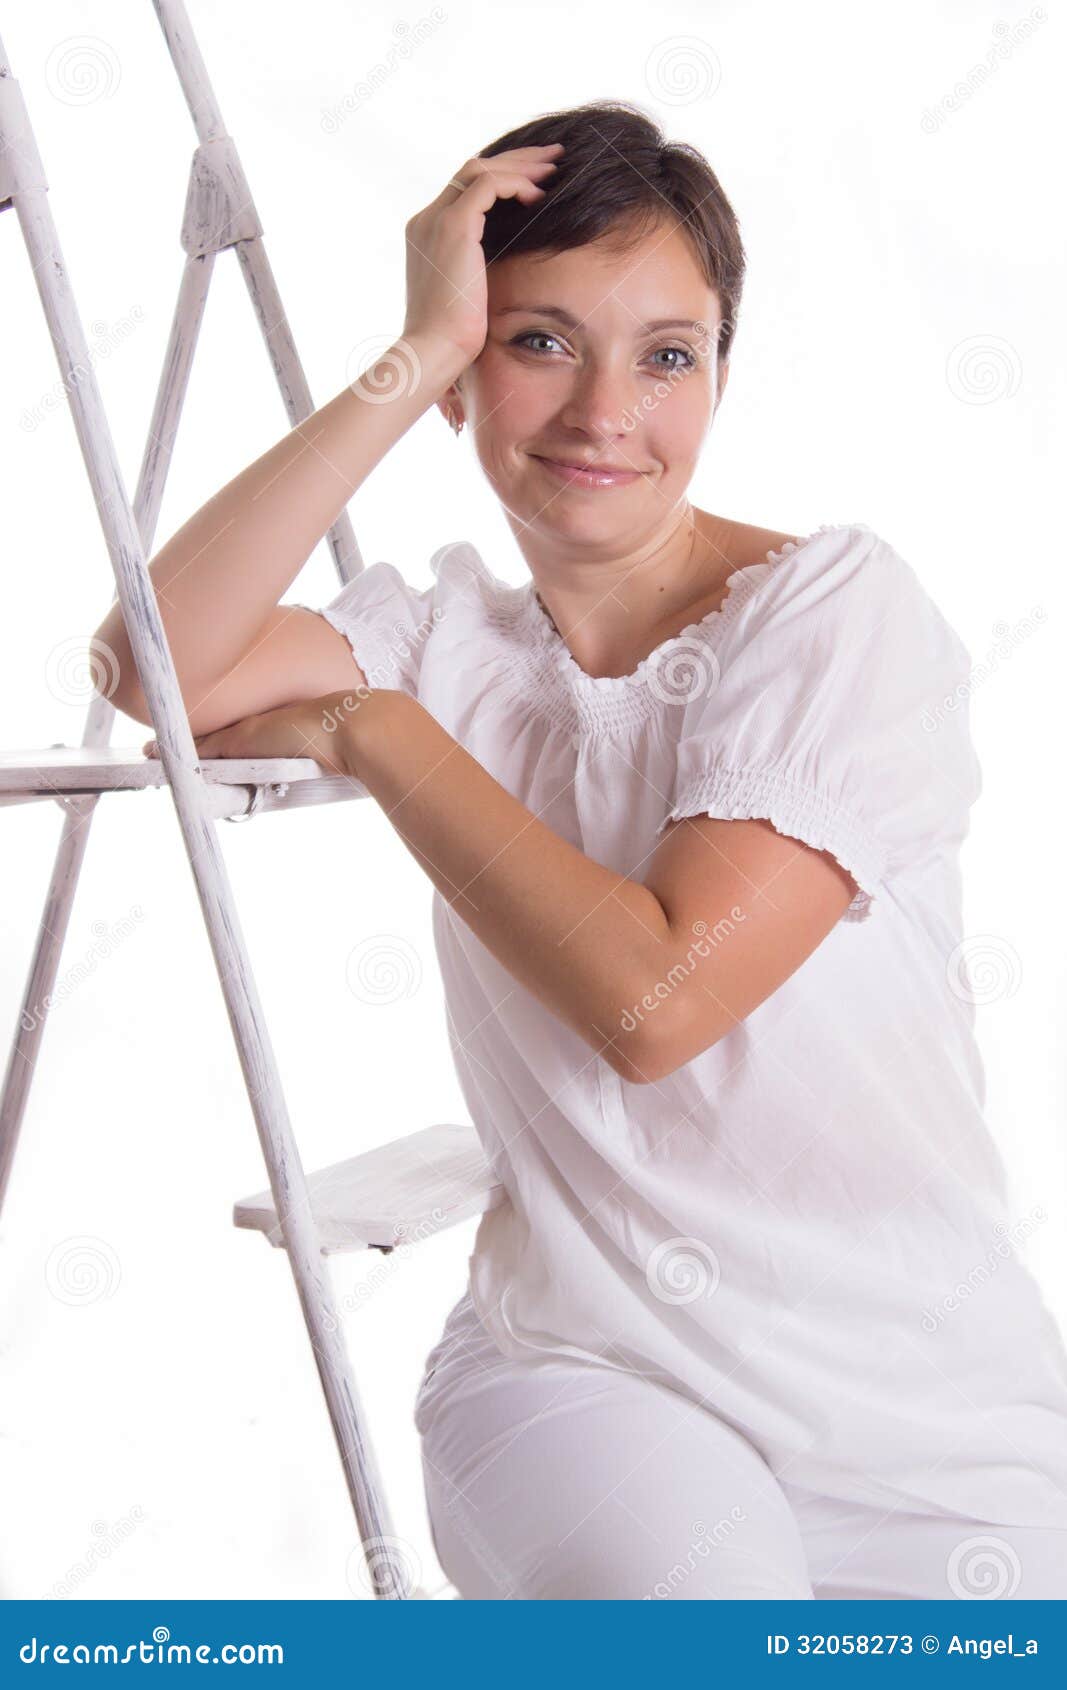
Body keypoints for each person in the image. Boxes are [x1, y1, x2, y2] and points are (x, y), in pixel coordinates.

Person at [98, 99, 1067, 1601]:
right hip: (587, 1373)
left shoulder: (834, 617)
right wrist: (408, 356)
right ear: (466, 369)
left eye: (667, 354)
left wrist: (375, 731)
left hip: (922, 1403)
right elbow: (152, 664)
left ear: (720, 376)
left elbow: (654, 998)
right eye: (540, 340)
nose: (608, 409)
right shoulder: (438, 636)